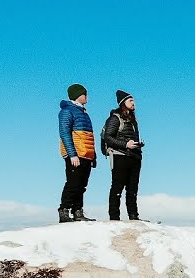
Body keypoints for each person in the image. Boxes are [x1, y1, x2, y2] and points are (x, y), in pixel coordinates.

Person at [102, 90, 144, 221]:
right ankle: (114, 218)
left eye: (133, 100)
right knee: (117, 187)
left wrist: (137, 145)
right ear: (123, 103)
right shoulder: (115, 118)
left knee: (133, 188)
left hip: (134, 156)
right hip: (120, 156)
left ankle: (134, 216)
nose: (133, 103)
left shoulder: (133, 120)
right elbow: (108, 137)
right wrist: (126, 144)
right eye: (130, 100)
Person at [57, 83, 97, 222]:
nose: (87, 96)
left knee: (82, 184)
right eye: (84, 93)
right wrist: (72, 154)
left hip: (86, 153)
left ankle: (78, 211)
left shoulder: (83, 112)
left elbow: (89, 135)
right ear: (77, 95)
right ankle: (64, 210)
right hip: (75, 154)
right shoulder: (67, 111)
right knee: (73, 183)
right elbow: (65, 133)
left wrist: (93, 155)